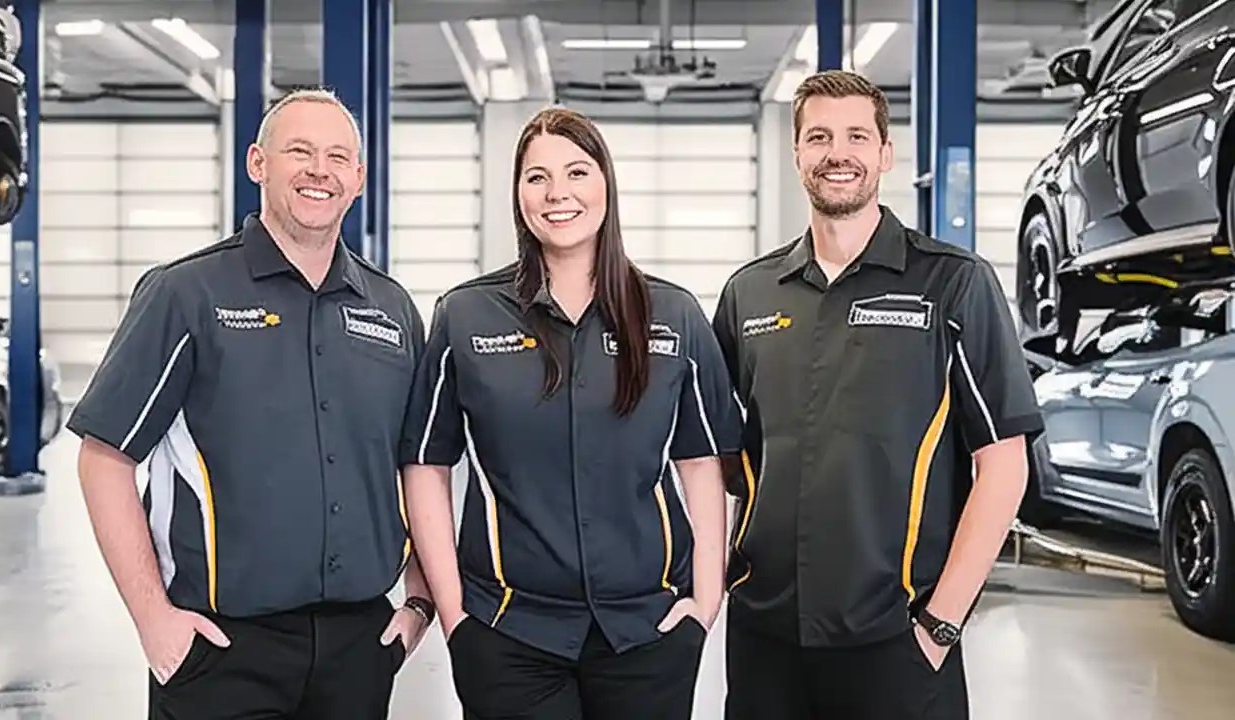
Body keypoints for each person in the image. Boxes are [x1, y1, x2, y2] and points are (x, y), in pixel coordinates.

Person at [66, 88, 435, 719]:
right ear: (257, 163)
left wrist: (419, 603)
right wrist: (154, 621)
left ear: (358, 179)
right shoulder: (186, 294)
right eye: (300, 151)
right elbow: (105, 459)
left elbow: (420, 468)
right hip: (221, 653)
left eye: (337, 157)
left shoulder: (393, 310)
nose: (320, 170)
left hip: (360, 649)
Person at [713, 70, 1043, 718]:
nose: (838, 153)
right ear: (797, 153)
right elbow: (720, 456)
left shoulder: (954, 286)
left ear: (886, 154)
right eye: (819, 137)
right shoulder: (749, 294)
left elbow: (1004, 464)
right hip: (764, 638)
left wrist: (940, 625)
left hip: (899, 640)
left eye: (857, 136)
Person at [398, 106, 741, 720]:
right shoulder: (466, 315)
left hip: (649, 631)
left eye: (577, 172)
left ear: (606, 183)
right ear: (518, 195)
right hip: (508, 632)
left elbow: (702, 462)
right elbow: (425, 464)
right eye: (538, 177)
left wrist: (705, 603)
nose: (558, 193)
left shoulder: (674, 316)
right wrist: (455, 616)